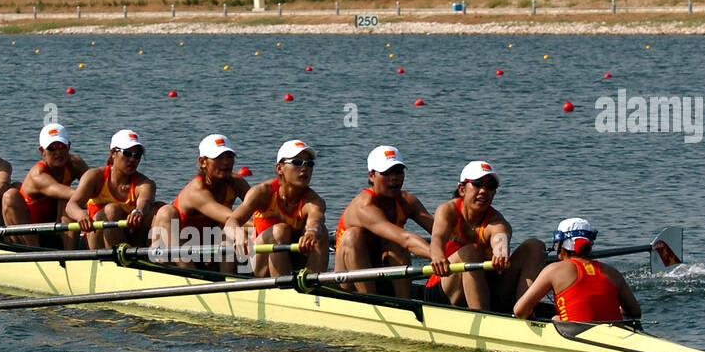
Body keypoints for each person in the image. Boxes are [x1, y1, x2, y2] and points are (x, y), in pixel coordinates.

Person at [424, 161, 546, 312]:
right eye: (477, 184)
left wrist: (500, 253)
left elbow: (500, 236)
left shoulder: (496, 221)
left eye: (490, 186)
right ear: (462, 189)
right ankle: (483, 318)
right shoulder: (447, 211)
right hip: (443, 289)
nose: (483, 190)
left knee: (535, 246)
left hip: (488, 289)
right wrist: (437, 257)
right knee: (471, 251)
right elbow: (437, 239)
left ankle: (525, 313)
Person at [333, 145, 434, 297]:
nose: (393, 178)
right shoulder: (364, 206)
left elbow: (442, 232)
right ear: (372, 176)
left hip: (383, 274)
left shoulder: (407, 201)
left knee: (395, 242)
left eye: (398, 171)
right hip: (349, 281)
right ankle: (371, 301)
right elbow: (406, 239)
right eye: (386, 173)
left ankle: (405, 305)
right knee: (353, 236)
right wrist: (437, 255)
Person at [224, 140, 328, 276]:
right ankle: (283, 289)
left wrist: (312, 232)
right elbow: (231, 221)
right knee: (280, 230)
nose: (304, 168)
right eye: (297, 162)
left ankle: (313, 287)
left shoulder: (314, 201)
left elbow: (316, 220)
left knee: (321, 233)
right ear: (279, 168)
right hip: (257, 261)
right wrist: (239, 236)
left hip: (293, 259)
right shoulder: (262, 192)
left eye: (309, 164)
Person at [151, 134, 250, 269]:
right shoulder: (196, 191)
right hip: (172, 254)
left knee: (232, 230)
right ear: (203, 162)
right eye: (219, 158)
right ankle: (191, 275)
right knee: (166, 211)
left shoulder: (236, 182)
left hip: (203, 248)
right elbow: (230, 217)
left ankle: (228, 278)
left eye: (229, 157)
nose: (226, 162)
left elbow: (260, 209)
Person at [514, 218, 641, 322]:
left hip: (574, 333)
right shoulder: (612, 272)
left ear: (561, 245)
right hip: (615, 333)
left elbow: (520, 311)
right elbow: (635, 312)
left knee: (556, 318)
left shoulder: (553, 270)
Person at [66, 129, 162, 249]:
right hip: (94, 241)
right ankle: (118, 260)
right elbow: (71, 205)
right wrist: (81, 216)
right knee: (112, 210)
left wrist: (138, 211)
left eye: (137, 155)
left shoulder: (145, 183)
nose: (132, 159)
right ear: (113, 153)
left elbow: (145, 201)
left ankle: (156, 258)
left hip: (129, 240)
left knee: (159, 209)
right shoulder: (95, 176)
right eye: (127, 153)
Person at [18, 123, 89, 249]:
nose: (58, 153)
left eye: (62, 147)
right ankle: (66, 257)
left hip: (56, 230)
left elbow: (95, 187)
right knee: (69, 199)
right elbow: (73, 194)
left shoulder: (75, 163)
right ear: (42, 151)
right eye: (52, 148)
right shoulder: (38, 175)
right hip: (34, 234)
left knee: (70, 201)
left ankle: (71, 255)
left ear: (69, 146)